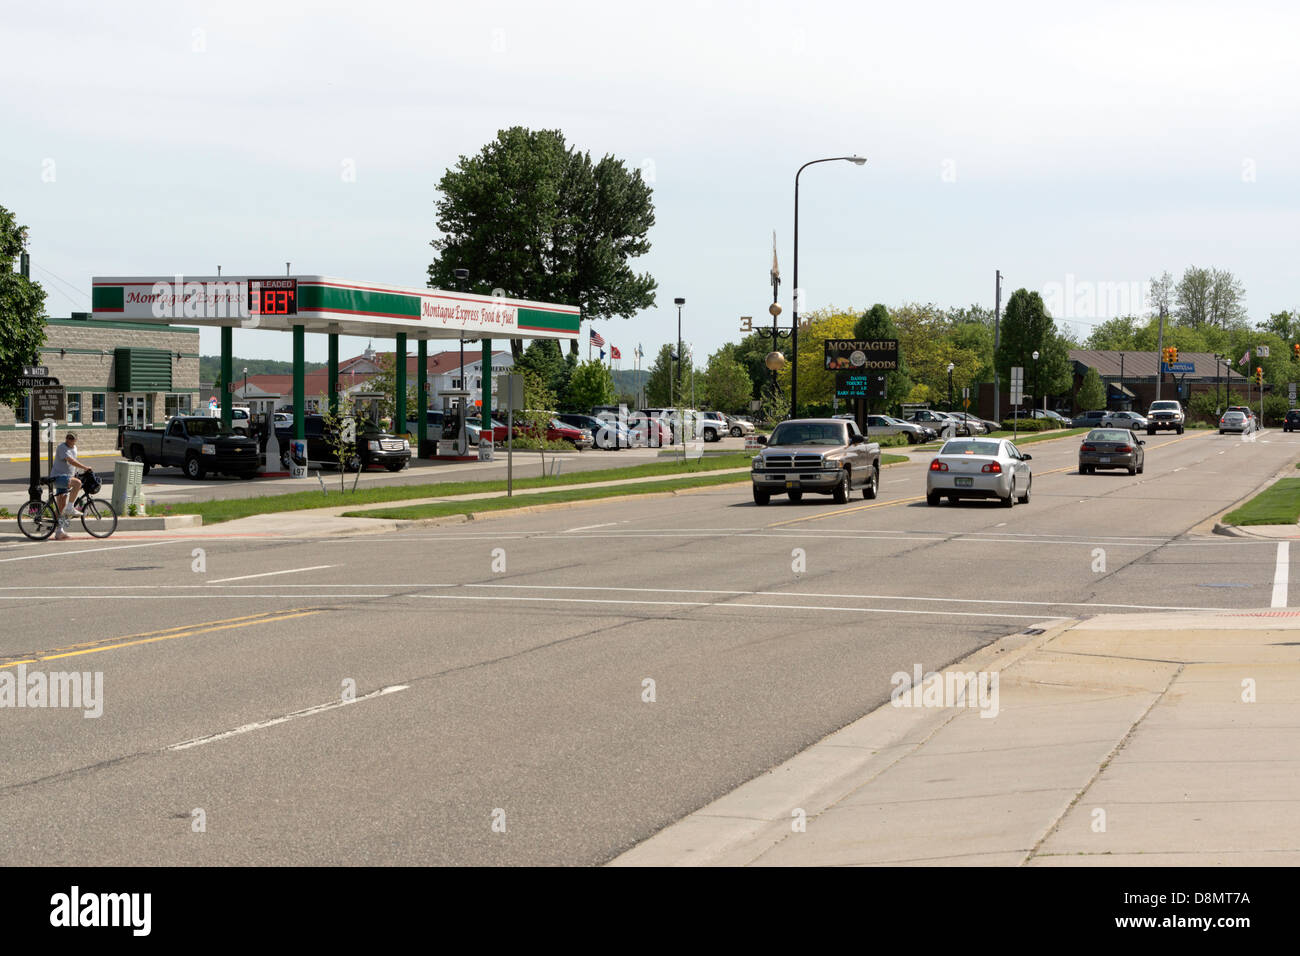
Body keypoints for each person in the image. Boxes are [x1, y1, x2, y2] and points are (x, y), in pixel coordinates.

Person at [52, 432, 90, 541]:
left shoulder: (75, 448)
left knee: (61, 506)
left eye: (72, 438)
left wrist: (77, 473)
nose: (69, 440)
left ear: (75, 440)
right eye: (68, 438)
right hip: (59, 477)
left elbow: (72, 465)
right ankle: (71, 507)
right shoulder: (62, 447)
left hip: (66, 478)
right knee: (78, 483)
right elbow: (71, 461)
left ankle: (59, 531)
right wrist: (85, 467)